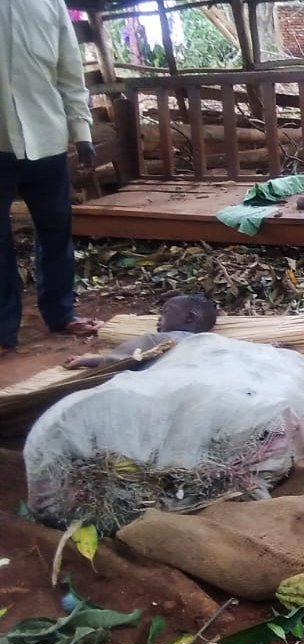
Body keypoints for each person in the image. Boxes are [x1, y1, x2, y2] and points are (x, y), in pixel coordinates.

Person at [0, 0, 104, 357]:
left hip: (47, 139)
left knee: (56, 231)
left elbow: (69, 76)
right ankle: (2, 331)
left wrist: (83, 134)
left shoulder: (50, 5)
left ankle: (61, 314)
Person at [63, 294, 218, 369]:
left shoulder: (157, 340)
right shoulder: (213, 343)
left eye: (165, 311)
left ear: (189, 318)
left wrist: (85, 361)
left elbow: (118, 362)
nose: (159, 318)